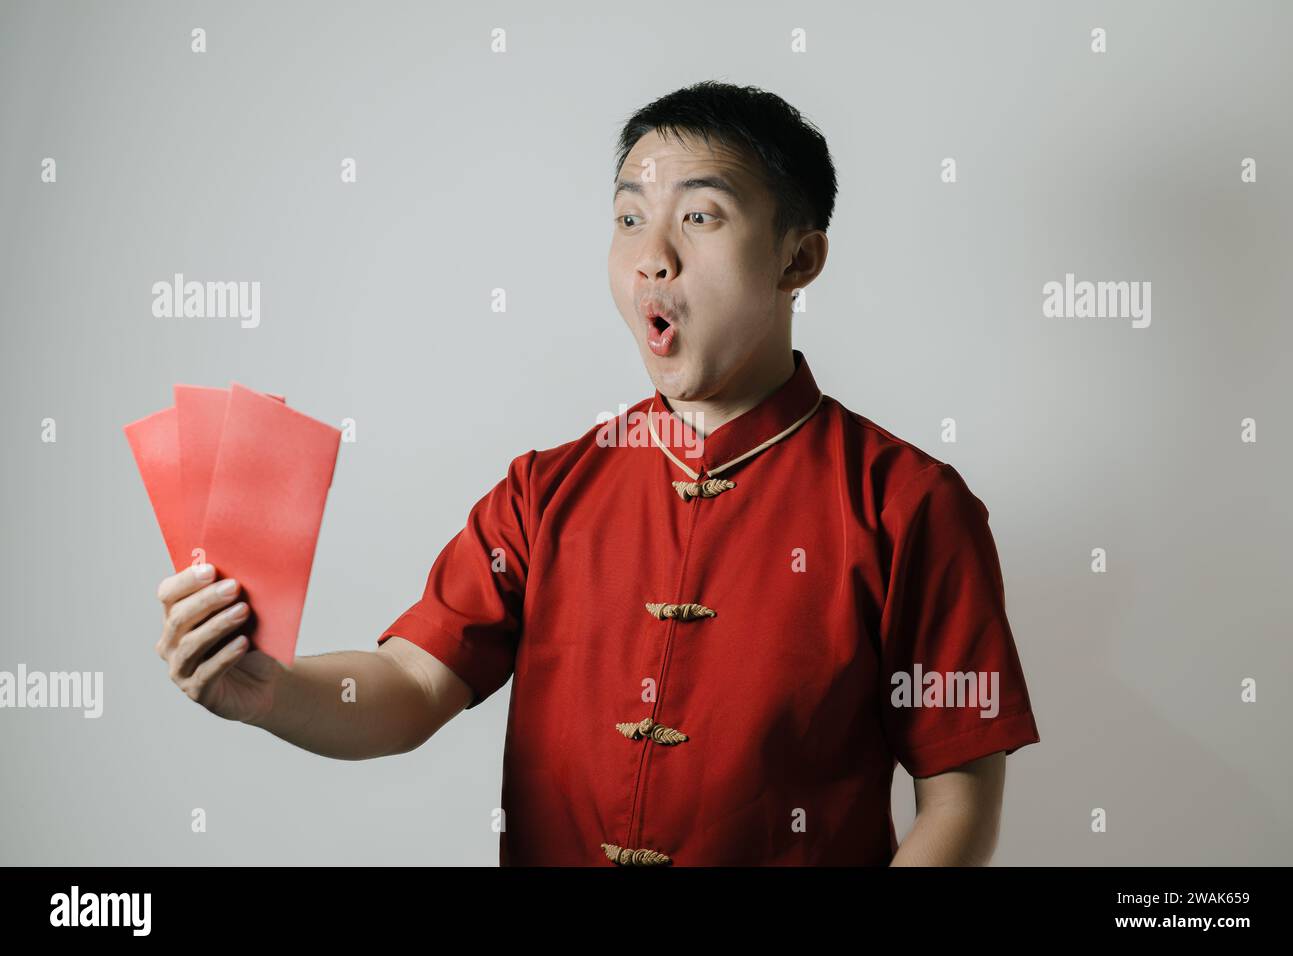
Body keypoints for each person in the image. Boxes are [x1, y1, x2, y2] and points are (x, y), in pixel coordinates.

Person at [154, 80, 1040, 866]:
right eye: (628, 219)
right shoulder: (545, 492)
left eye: (700, 216)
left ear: (797, 259)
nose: (652, 256)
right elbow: (415, 685)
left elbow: (958, 803)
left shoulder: (910, 505)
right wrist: (271, 692)